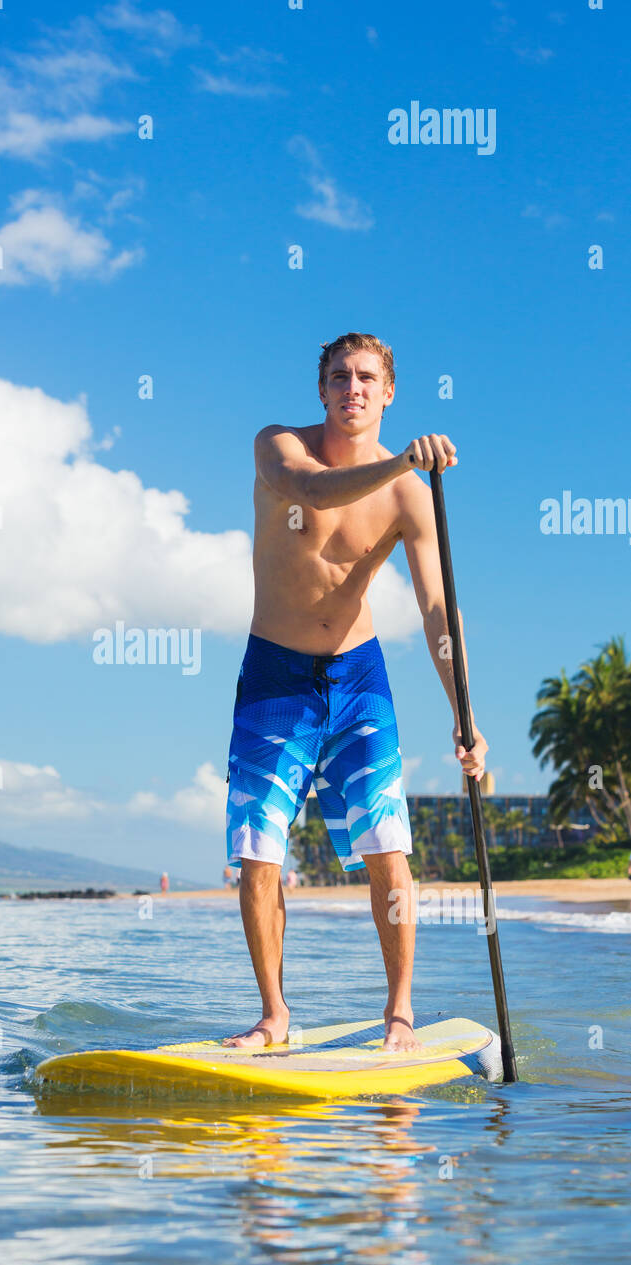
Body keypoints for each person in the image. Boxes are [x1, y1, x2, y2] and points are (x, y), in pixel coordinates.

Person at [224, 333, 487, 1053]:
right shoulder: (277, 447)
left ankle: (398, 1014)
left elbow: (438, 611)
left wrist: (463, 715)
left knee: (386, 847)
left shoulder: (409, 493)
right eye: (338, 377)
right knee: (257, 851)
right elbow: (309, 492)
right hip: (274, 676)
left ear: (388, 390)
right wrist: (404, 457)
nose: (353, 389)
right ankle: (274, 1016)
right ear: (321, 390)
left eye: (367, 378)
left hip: (358, 673)